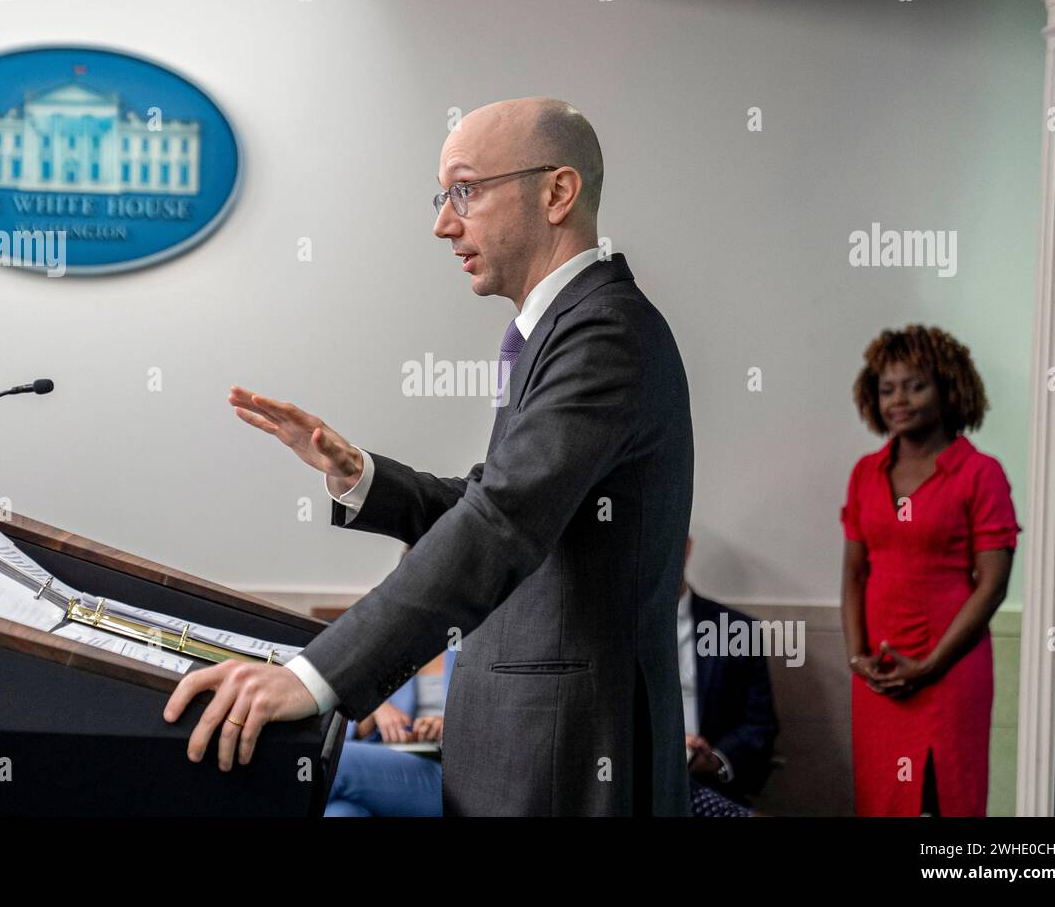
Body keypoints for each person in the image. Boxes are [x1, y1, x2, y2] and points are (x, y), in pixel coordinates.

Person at [162, 96, 695, 816]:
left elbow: (501, 521)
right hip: (532, 748)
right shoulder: (566, 328)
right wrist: (363, 479)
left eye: (465, 191)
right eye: (444, 196)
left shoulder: (604, 331)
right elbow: (506, 501)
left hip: (569, 756)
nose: (444, 223)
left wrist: (317, 676)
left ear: (557, 192)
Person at [840, 325, 1020, 816]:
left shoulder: (982, 474)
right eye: (887, 388)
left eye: (915, 385)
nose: (899, 399)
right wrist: (856, 657)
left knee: (948, 800)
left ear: (948, 387)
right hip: (877, 672)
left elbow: (993, 585)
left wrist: (931, 665)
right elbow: (854, 574)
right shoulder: (864, 473)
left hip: (951, 671)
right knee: (882, 800)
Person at [677, 537, 779, 802]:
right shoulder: (614, 633)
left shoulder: (736, 630)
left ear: (686, 547)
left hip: (709, 786)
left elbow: (760, 722)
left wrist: (716, 760)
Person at [324, 649, 454, 817]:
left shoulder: (479, 642)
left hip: (448, 776)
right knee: (340, 813)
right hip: (391, 754)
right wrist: (375, 709)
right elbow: (354, 727)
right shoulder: (400, 641)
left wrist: (453, 727)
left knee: (337, 760)